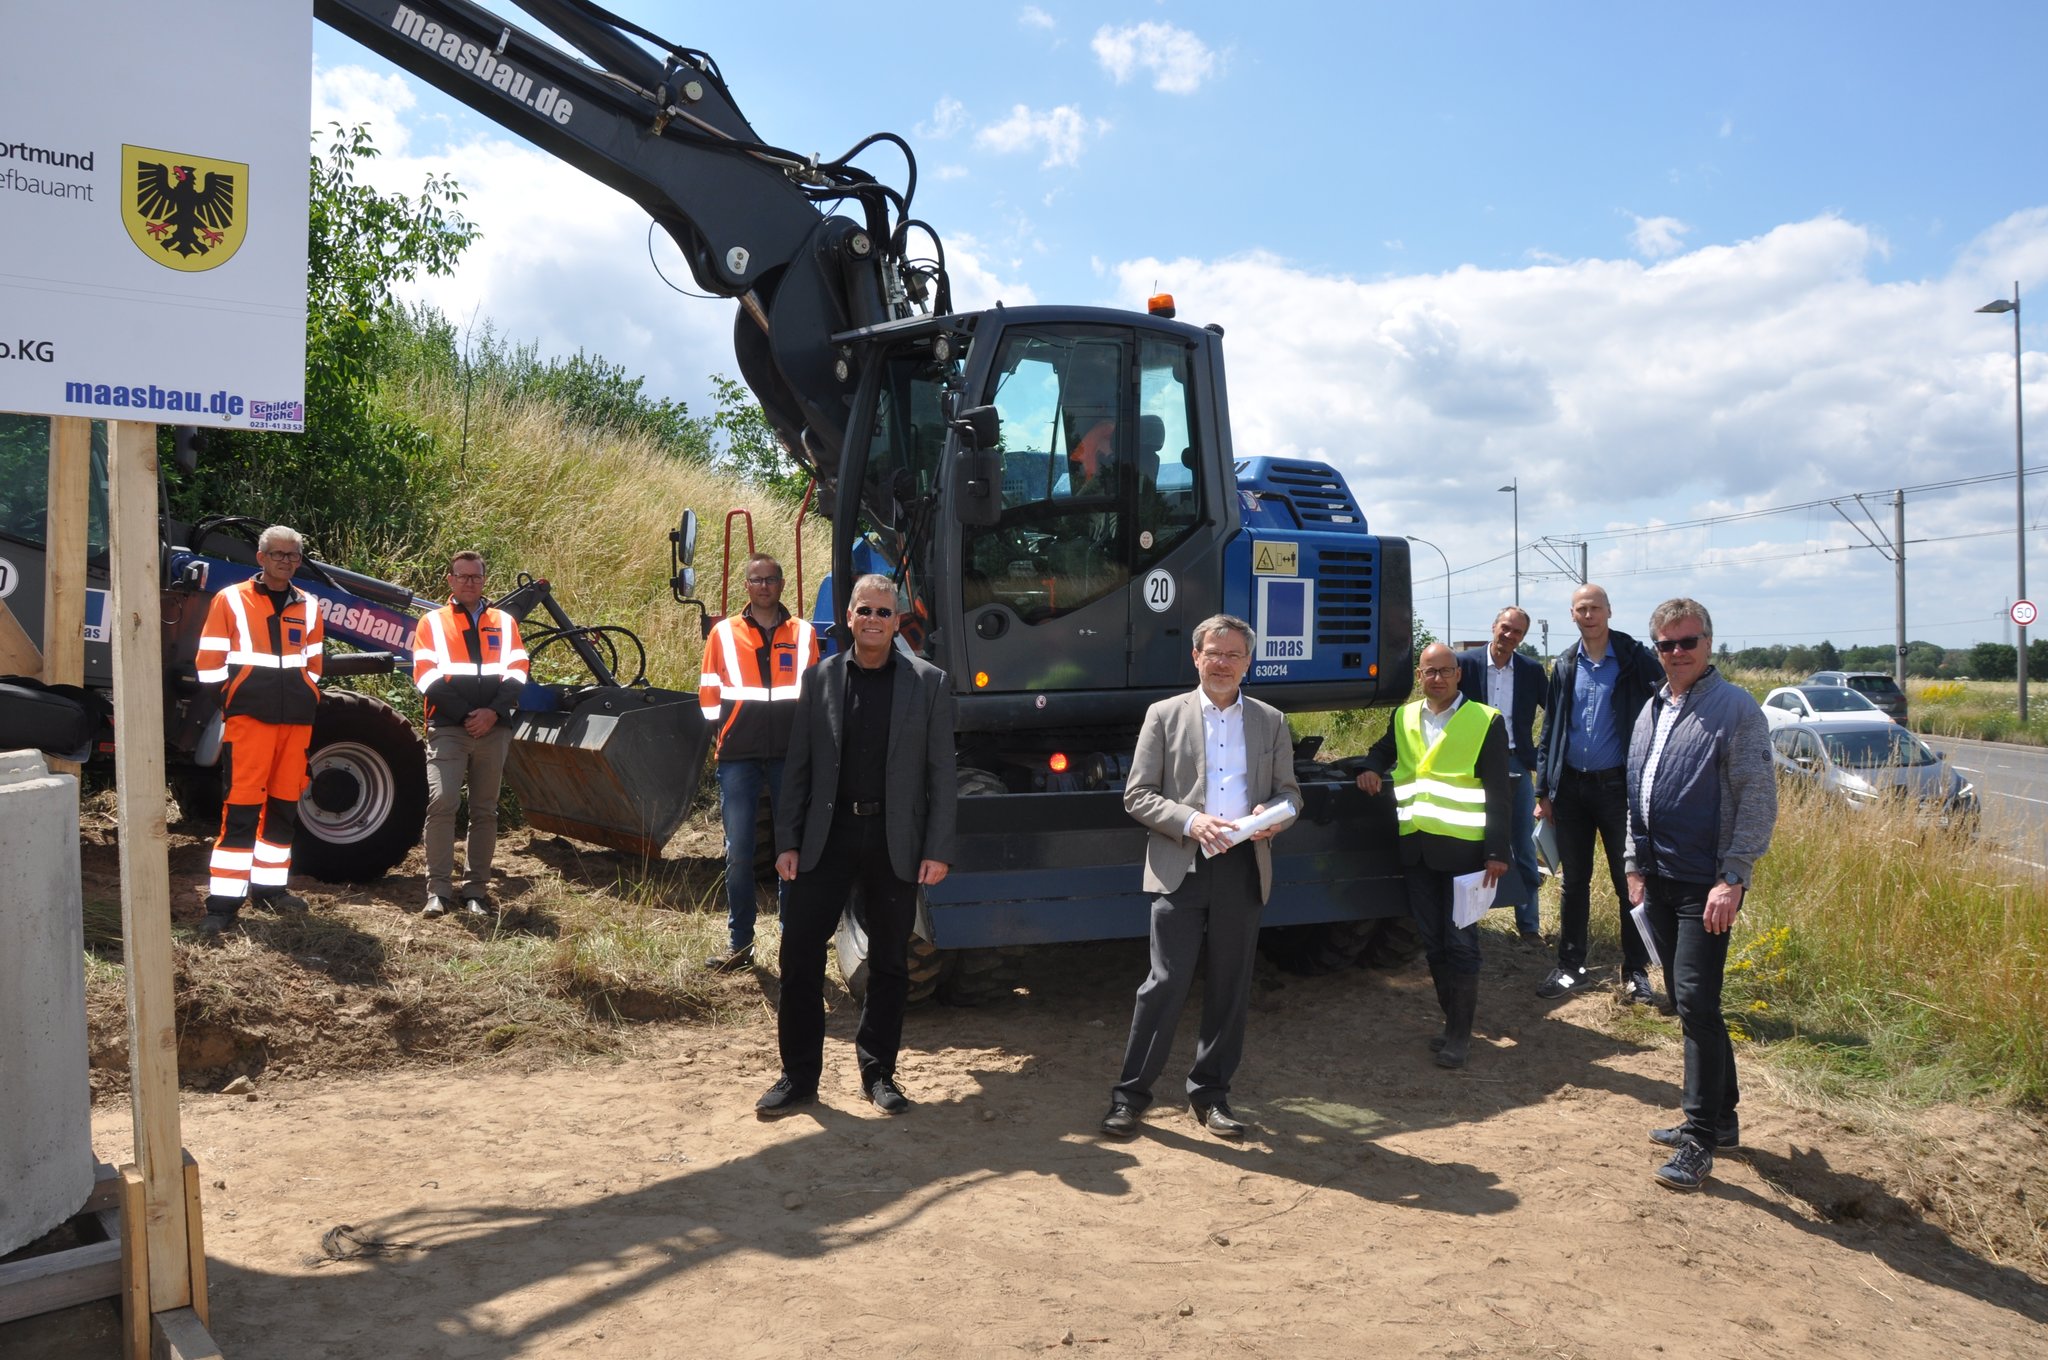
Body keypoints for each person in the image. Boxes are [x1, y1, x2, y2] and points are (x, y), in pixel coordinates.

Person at [757, 575, 956, 1117]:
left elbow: (942, 772)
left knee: (890, 962)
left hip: (896, 841)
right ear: (848, 617)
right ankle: (798, 1078)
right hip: (828, 837)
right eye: (864, 610)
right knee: (798, 953)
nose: (873, 619)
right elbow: (797, 768)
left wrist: (937, 848)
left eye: (884, 613)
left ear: (898, 621)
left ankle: (880, 1075)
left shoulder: (929, 683)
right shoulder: (820, 678)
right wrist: (787, 842)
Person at [1101, 613, 1301, 1140]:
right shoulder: (1163, 715)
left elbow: (1291, 795)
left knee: (1231, 987)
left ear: (1248, 663)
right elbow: (1137, 795)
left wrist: (1272, 816)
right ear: (1196, 657)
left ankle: (1211, 1095)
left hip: (1242, 867)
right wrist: (1192, 821)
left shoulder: (1271, 720)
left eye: (1233, 655)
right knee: (1164, 984)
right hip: (1181, 866)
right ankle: (1130, 1097)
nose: (1222, 663)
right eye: (1213, 653)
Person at [1623, 598, 1776, 1191]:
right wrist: (1636, 865)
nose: (1677, 654)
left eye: (1687, 642)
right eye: (1666, 645)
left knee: (1693, 1003)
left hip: (1705, 884)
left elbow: (1757, 798)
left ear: (1709, 643)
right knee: (1695, 1003)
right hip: (1658, 877)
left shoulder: (1736, 710)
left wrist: (1732, 876)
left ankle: (1699, 1139)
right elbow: (1636, 787)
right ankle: (1724, 1118)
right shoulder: (1654, 707)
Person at [1357, 642, 1512, 1068]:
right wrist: (1369, 767)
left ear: (1459, 674)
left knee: (1461, 944)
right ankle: (1451, 1026)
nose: (1437, 678)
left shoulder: (1484, 720)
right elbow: (1384, 750)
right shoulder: (1405, 715)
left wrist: (1497, 851)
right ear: (1420, 676)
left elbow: (1500, 790)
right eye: (1429, 672)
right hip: (1419, 850)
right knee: (1434, 943)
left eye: (1445, 671)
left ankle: (1460, 1037)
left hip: (1467, 854)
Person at [1534, 583, 1665, 1003]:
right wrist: (1544, 790)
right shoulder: (1566, 663)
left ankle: (1635, 971)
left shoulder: (1634, 660)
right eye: (1580, 609)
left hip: (1616, 790)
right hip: (1570, 788)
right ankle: (1571, 968)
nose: (1588, 615)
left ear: (1609, 612)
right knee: (1574, 881)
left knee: (1628, 881)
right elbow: (1551, 727)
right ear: (1572, 616)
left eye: (1595, 608)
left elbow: (1662, 716)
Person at [192, 525, 324, 935]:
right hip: (249, 722)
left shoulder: (310, 605)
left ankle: (270, 889)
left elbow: (315, 665)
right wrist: (234, 700)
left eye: (293, 555)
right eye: (278, 554)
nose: (286, 561)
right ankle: (223, 905)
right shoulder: (229, 600)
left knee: (284, 806)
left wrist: (306, 695)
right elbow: (209, 664)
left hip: (295, 723)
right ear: (261, 557)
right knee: (242, 809)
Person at [696, 552, 819, 970]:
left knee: (792, 851)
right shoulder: (724, 634)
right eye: (756, 579)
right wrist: (721, 733)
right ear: (745, 586)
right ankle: (740, 945)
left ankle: (792, 944)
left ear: (781, 584)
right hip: (738, 757)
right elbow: (709, 690)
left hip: (790, 757)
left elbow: (816, 696)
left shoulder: (803, 633)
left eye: (770, 579)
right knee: (739, 853)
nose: (763, 586)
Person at [411, 551, 529, 919]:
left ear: (484, 580)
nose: (468, 582)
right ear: (450, 580)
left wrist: (492, 712)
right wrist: (467, 715)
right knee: (443, 802)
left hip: (493, 729)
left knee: (484, 809)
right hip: (448, 728)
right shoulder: (431, 622)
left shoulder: (505, 623)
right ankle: (438, 891)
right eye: (461, 576)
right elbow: (425, 677)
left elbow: (518, 672)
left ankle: (475, 891)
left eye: (475, 577)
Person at [1458, 606, 1547, 946]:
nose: (1509, 636)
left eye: (1517, 633)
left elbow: (1552, 712)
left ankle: (1529, 927)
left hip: (1515, 764)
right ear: (1493, 626)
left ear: (1522, 638)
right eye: (1505, 628)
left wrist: (1541, 756)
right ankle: (1466, 922)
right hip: (1470, 765)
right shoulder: (1464, 664)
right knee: (1466, 841)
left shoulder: (1530, 670)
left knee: (1522, 843)